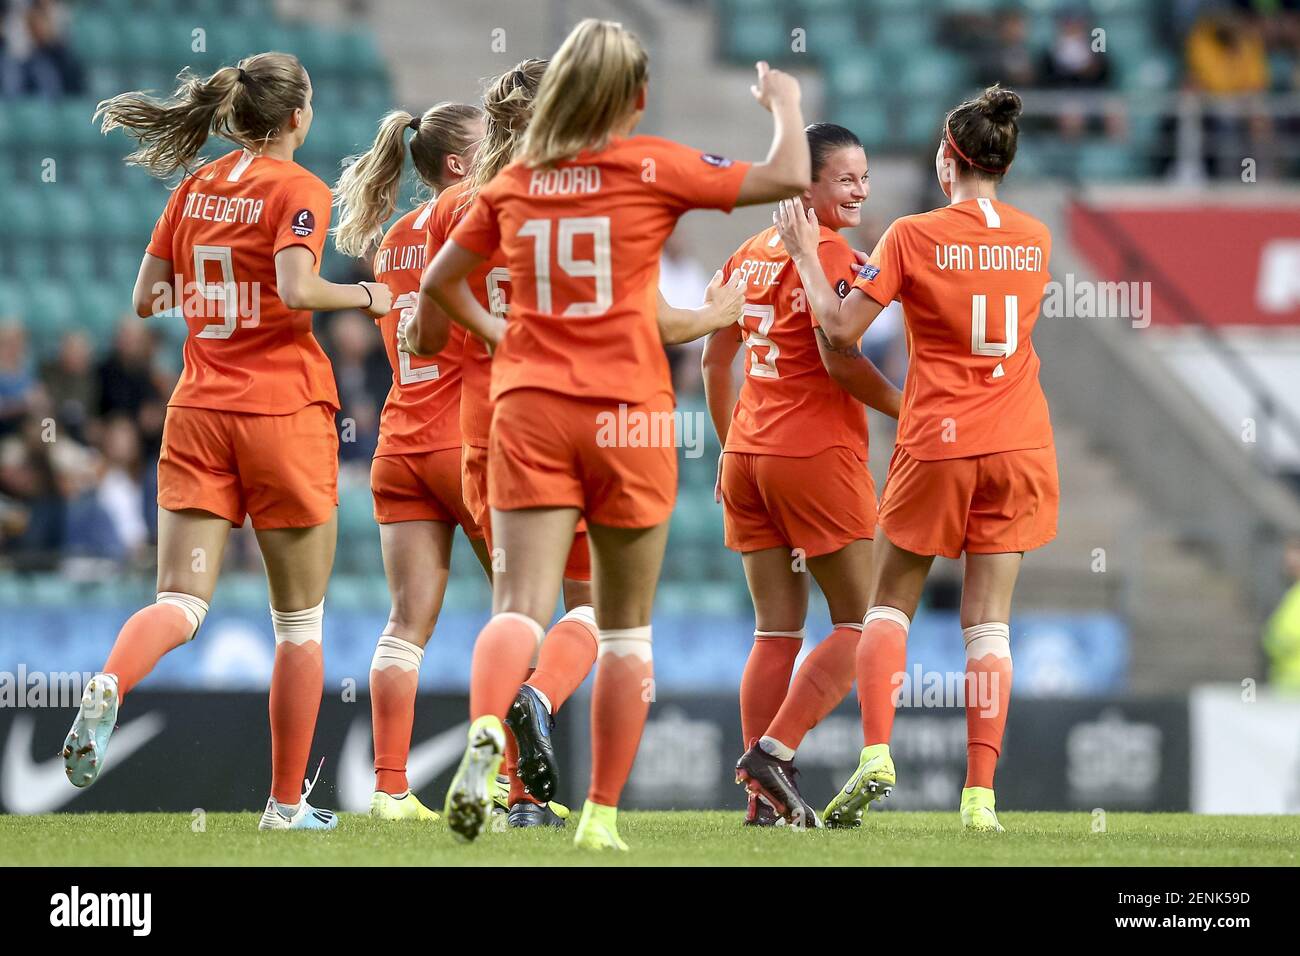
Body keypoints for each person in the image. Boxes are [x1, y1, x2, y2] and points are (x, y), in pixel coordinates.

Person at [421, 18, 811, 850]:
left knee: (516, 607)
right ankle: (598, 815)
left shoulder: (515, 181)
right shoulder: (651, 164)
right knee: (620, 625)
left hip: (527, 408)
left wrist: (504, 337)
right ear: (635, 97)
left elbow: (436, 286)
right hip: (627, 413)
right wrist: (785, 103)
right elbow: (786, 177)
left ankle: (487, 737)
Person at [62, 52, 394, 831]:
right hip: (281, 417)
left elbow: (145, 300)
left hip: (199, 410)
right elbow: (295, 290)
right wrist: (370, 294)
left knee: (179, 601)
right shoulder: (299, 189)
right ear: (295, 119)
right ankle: (285, 805)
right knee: (300, 625)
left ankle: (112, 679)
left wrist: (217, 297)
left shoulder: (194, 187)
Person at [775, 85, 1057, 832]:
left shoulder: (911, 235)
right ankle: (980, 798)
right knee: (988, 625)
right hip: (1021, 442)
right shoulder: (1037, 236)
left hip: (938, 441)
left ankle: (875, 753)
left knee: (887, 606)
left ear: (947, 159)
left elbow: (839, 330)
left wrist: (807, 256)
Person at [702, 123, 900, 828]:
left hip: (750, 456)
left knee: (775, 632)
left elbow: (711, 359)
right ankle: (773, 755)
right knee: (865, 619)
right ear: (806, 186)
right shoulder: (831, 252)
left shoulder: (749, 252)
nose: (860, 190)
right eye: (846, 179)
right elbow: (841, 356)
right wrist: (909, 410)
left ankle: (762, 803)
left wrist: (732, 447)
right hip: (813, 454)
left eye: (864, 178)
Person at [332, 100, 485, 822]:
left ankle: (391, 788)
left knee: (405, 624)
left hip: (400, 445)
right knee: (523, 606)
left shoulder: (395, 234)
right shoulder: (469, 209)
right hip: (465, 439)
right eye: (493, 141)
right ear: (458, 163)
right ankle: (512, 788)